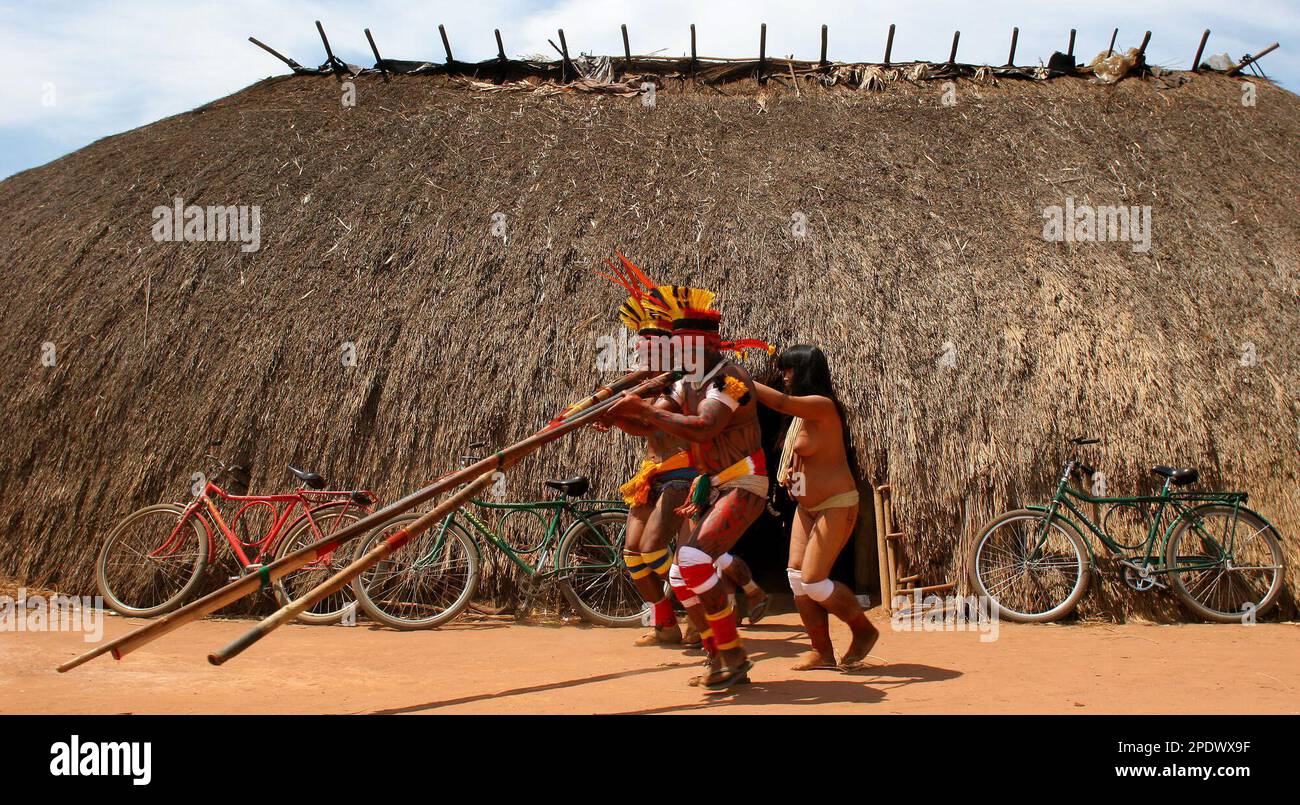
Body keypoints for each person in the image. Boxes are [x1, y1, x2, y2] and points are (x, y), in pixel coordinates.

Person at [596, 256, 767, 649]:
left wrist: (640, 408)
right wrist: (620, 416)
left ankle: (728, 647)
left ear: (703, 346)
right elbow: (654, 424)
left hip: (743, 480)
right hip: (710, 485)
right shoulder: (685, 382)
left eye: (679, 347)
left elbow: (706, 427)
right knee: (677, 571)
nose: (674, 354)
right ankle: (718, 650)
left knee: (688, 562)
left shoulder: (731, 379)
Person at [752, 344, 879, 670]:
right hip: (807, 508)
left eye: (789, 370)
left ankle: (863, 630)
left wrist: (740, 379)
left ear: (804, 371)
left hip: (836, 504)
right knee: (796, 577)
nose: (785, 376)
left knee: (812, 579)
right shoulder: (801, 416)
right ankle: (822, 652)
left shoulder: (821, 406)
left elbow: (780, 402)